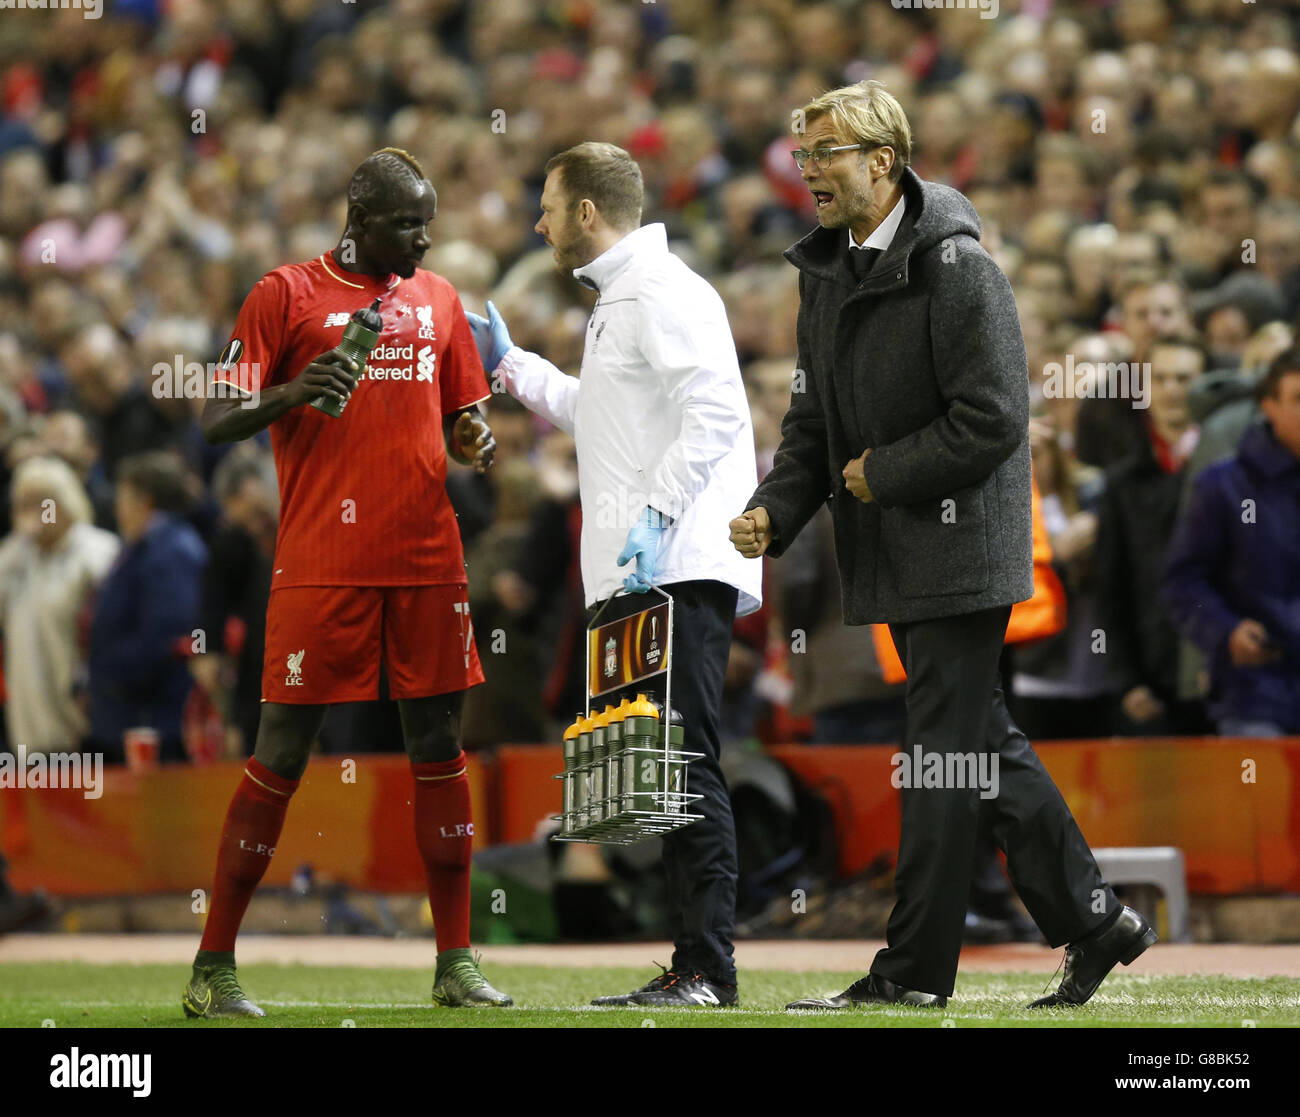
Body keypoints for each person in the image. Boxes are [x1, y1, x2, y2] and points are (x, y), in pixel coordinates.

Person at [729, 81, 1153, 1010]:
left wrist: (886, 475)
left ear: (883, 160)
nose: (809, 174)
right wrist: (775, 510)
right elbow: (811, 420)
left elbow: (996, 417)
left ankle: (910, 976)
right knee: (979, 749)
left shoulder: (958, 265)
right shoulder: (825, 269)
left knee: (938, 765)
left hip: (961, 554)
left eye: (826, 155)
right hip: (893, 553)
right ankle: (1097, 921)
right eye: (802, 158)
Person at [183, 148, 509, 1018]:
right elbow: (215, 418)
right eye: (408, 222)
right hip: (322, 561)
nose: (425, 237)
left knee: (439, 749)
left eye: (427, 220)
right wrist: (292, 391)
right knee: (280, 752)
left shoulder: (437, 301)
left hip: (427, 559)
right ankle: (214, 967)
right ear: (359, 218)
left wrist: (476, 442)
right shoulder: (282, 293)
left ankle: (457, 961)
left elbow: (463, 419)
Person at [469, 141, 762, 1007]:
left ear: (586, 213)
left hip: (670, 568)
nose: (539, 223)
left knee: (686, 762)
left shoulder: (663, 292)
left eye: (549, 208)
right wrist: (514, 366)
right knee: (660, 769)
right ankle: (692, 961)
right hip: (643, 573)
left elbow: (718, 410)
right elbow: (598, 415)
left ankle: (708, 968)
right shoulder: (623, 300)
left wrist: (656, 516)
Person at [1163, 346, 1300, 736]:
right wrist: (1225, 630)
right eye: (1298, 399)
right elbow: (1183, 583)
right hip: (1255, 692)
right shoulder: (1222, 485)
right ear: (1268, 406)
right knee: (1261, 796)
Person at [88, 451, 206, 763]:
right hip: (127, 716)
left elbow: (166, 637)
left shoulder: (170, 551)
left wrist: (110, 672)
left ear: (146, 501)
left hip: (154, 722)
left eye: (124, 499)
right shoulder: (143, 548)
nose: (117, 509)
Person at [0, 455, 119, 752]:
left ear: (65, 502)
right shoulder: (15, 559)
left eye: (41, 502)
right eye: (23, 504)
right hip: (30, 727)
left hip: (85, 723)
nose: (31, 513)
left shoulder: (96, 551)